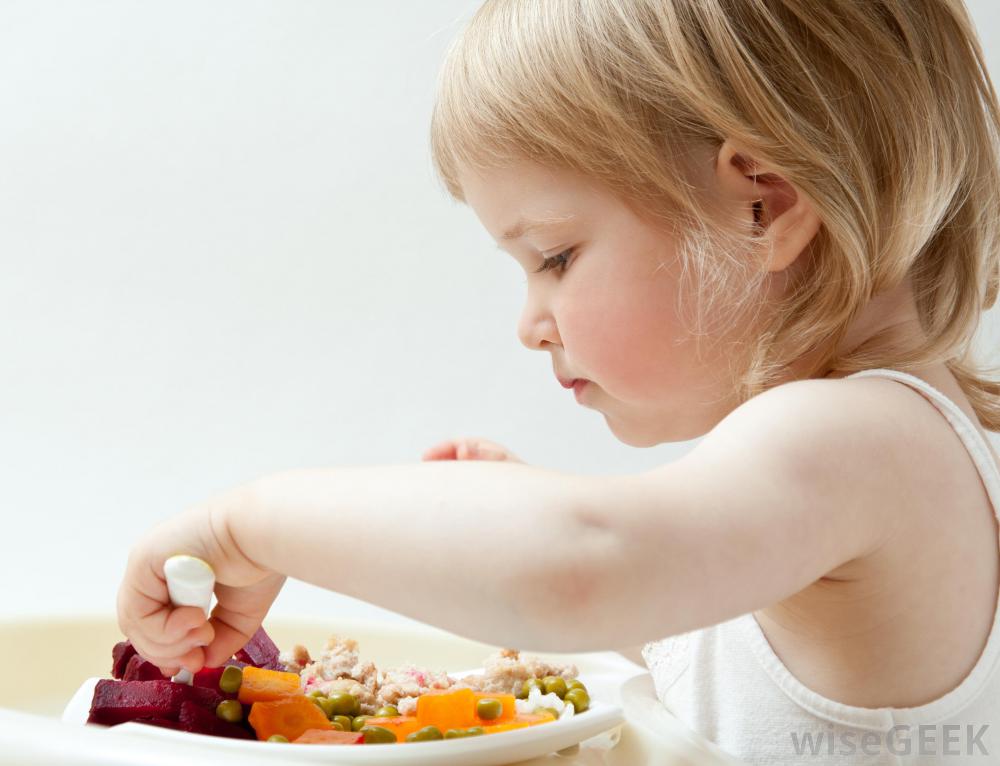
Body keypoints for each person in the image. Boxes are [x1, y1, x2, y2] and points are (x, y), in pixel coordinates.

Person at [117, 0, 1000, 762]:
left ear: (762, 203)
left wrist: (253, 525)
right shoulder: (863, 456)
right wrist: (499, 518)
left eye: (555, 257)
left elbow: (581, 569)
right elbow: (702, 655)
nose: (530, 322)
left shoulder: (862, 439)